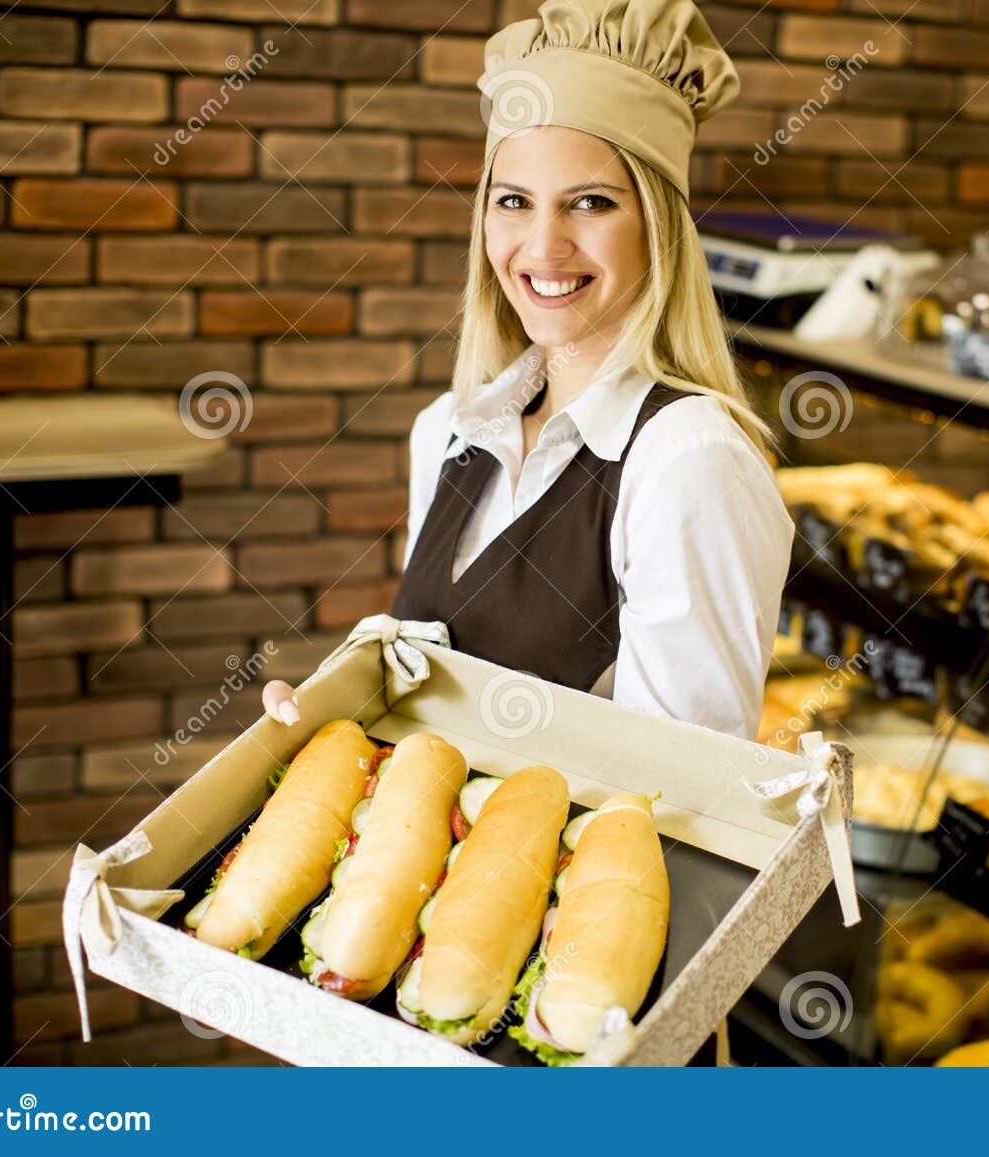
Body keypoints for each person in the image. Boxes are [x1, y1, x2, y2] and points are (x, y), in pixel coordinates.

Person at [263, 0, 793, 740]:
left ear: (658, 229)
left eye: (591, 203)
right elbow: (425, 694)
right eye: (513, 201)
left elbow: (686, 785)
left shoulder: (689, 460)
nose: (543, 247)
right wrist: (333, 715)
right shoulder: (448, 432)